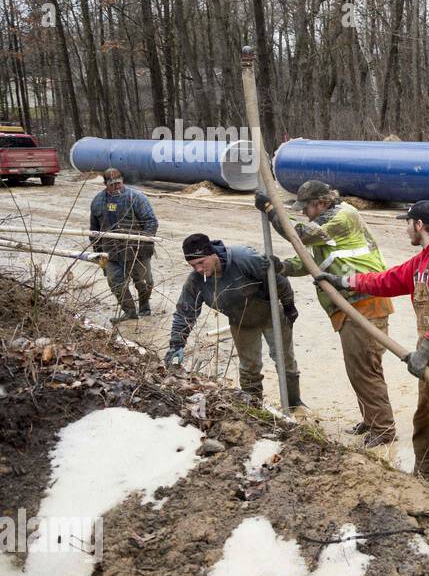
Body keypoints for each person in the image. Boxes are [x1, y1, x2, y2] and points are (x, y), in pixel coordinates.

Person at [316, 200, 429, 495]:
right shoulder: (424, 261)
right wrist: (344, 281)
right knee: (427, 422)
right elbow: (387, 280)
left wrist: (427, 349)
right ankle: (426, 483)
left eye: (408, 223)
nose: (406, 229)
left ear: (418, 224)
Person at [255, 181, 397, 446]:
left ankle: (383, 429)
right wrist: (283, 266)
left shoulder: (343, 216)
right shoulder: (327, 226)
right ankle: (372, 419)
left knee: (365, 368)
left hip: (363, 303)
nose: (306, 213)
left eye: (306, 208)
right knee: (358, 368)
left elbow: (300, 235)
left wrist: (271, 209)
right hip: (352, 306)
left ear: (320, 203)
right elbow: (311, 261)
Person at [165, 233, 303, 407]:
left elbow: (275, 276)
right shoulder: (196, 281)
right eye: (193, 265)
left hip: (271, 314)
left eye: (201, 262)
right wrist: (176, 344)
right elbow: (185, 312)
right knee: (249, 367)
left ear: (212, 254)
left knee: (284, 360)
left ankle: (294, 402)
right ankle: (253, 406)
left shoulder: (243, 258)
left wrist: (289, 303)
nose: (199, 269)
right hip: (241, 321)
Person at [89, 168, 157, 322]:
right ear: (105, 184)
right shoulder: (98, 202)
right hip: (111, 252)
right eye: (112, 185)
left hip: (136, 250)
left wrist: (144, 241)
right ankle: (130, 311)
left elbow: (151, 222)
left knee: (145, 282)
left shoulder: (136, 198)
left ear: (123, 181)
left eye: (118, 183)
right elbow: (94, 231)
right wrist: (98, 254)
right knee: (116, 283)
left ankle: (144, 307)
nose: (116, 187)